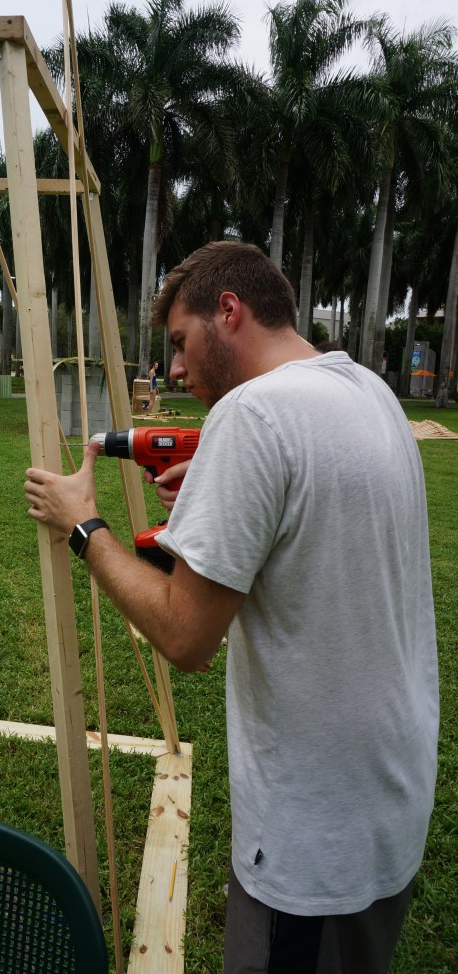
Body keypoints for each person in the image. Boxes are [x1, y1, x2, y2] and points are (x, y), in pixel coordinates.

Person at [24, 240, 438, 974]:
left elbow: (186, 638)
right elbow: (316, 530)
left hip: (311, 847)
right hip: (387, 804)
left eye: (180, 342)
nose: (176, 368)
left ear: (229, 311)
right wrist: (224, 513)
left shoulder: (253, 416)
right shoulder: (368, 390)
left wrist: (84, 528)